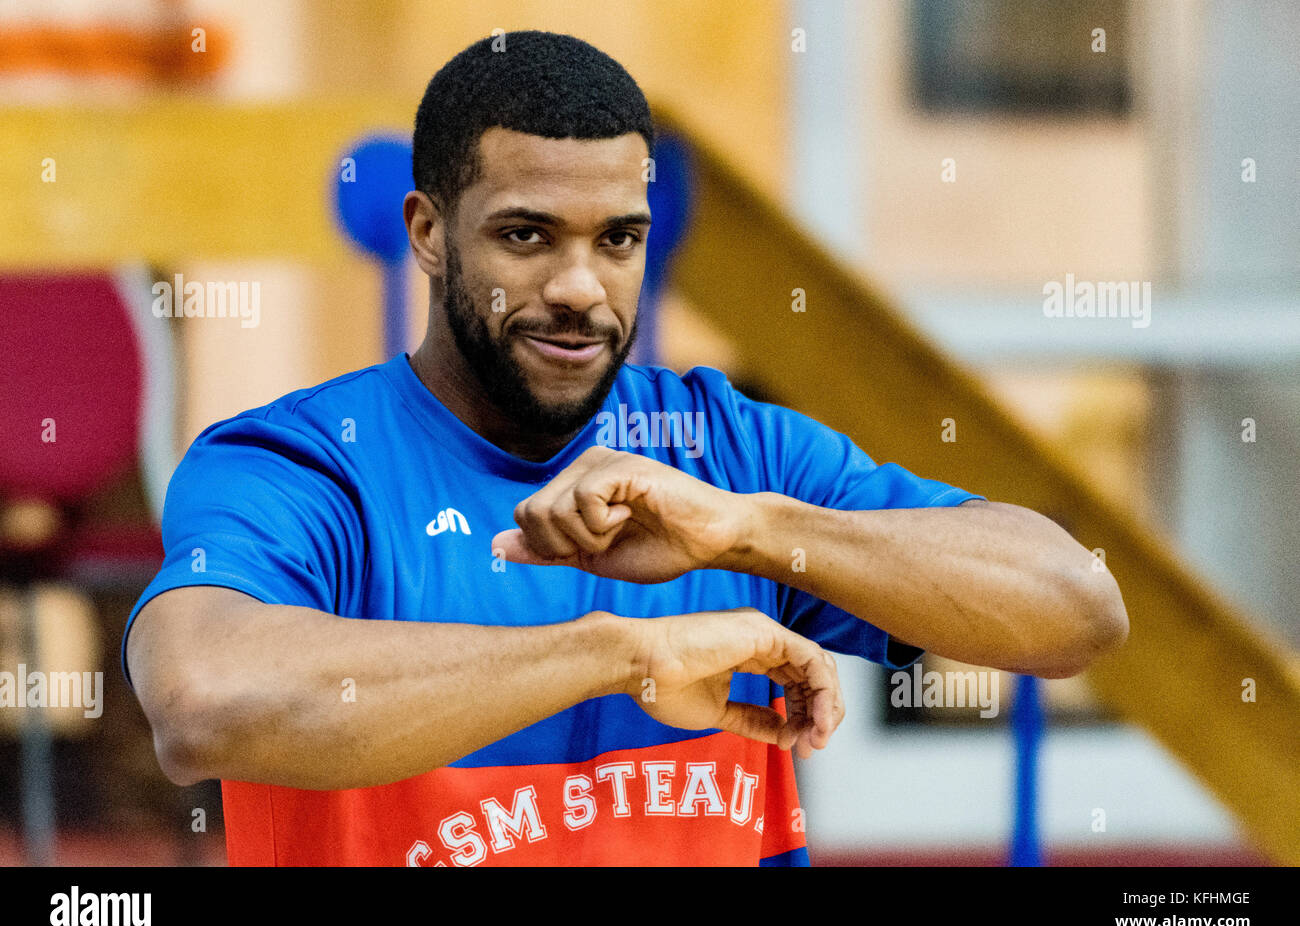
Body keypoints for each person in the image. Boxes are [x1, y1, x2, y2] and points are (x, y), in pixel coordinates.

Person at [123, 30, 1128, 866]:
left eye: (617, 239)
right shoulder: (304, 463)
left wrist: (749, 531)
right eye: (526, 236)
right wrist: (619, 653)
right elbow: (202, 699)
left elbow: (1075, 607)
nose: (579, 286)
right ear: (428, 232)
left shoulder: (728, 449)